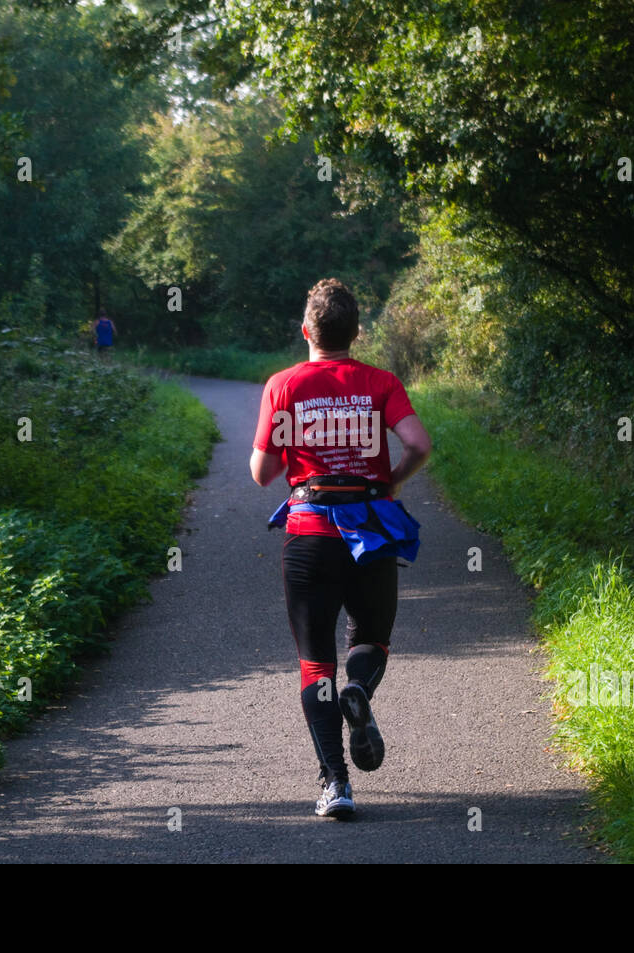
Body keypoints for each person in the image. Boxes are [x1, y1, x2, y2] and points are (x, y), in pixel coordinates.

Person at [250, 278, 432, 818]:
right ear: (357, 333)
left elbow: (263, 474)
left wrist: (301, 448)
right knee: (371, 638)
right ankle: (359, 690)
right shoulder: (380, 382)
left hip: (309, 534)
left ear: (306, 330)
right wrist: (392, 480)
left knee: (313, 665)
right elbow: (419, 444)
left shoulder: (283, 385)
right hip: (371, 529)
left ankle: (335, 784)